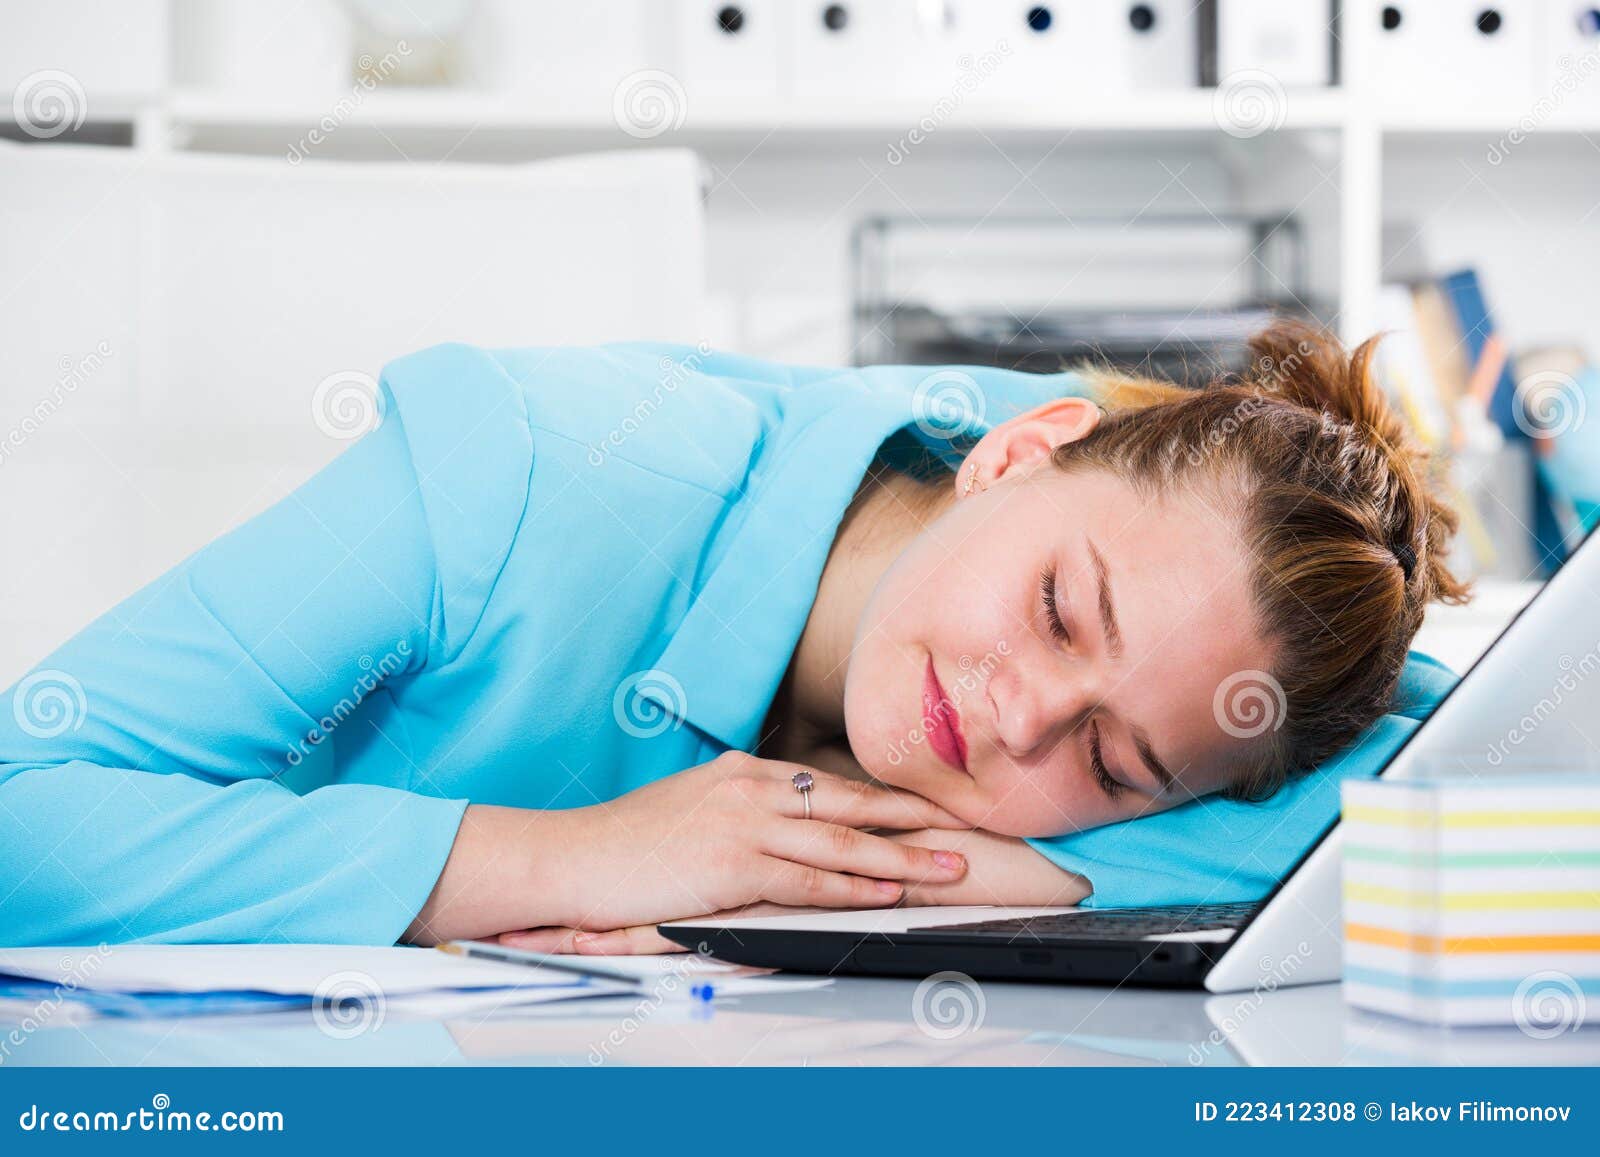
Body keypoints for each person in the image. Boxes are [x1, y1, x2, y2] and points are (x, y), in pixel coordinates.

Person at [0, 321, 1465, 950]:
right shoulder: (516, 471)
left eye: (1113, 757)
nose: (1019, 720)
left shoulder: (1114, 575)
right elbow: (25, 811)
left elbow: (1480, 808)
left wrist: (896, 865)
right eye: (1057, 610)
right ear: (1019, 453)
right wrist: (556, 858)